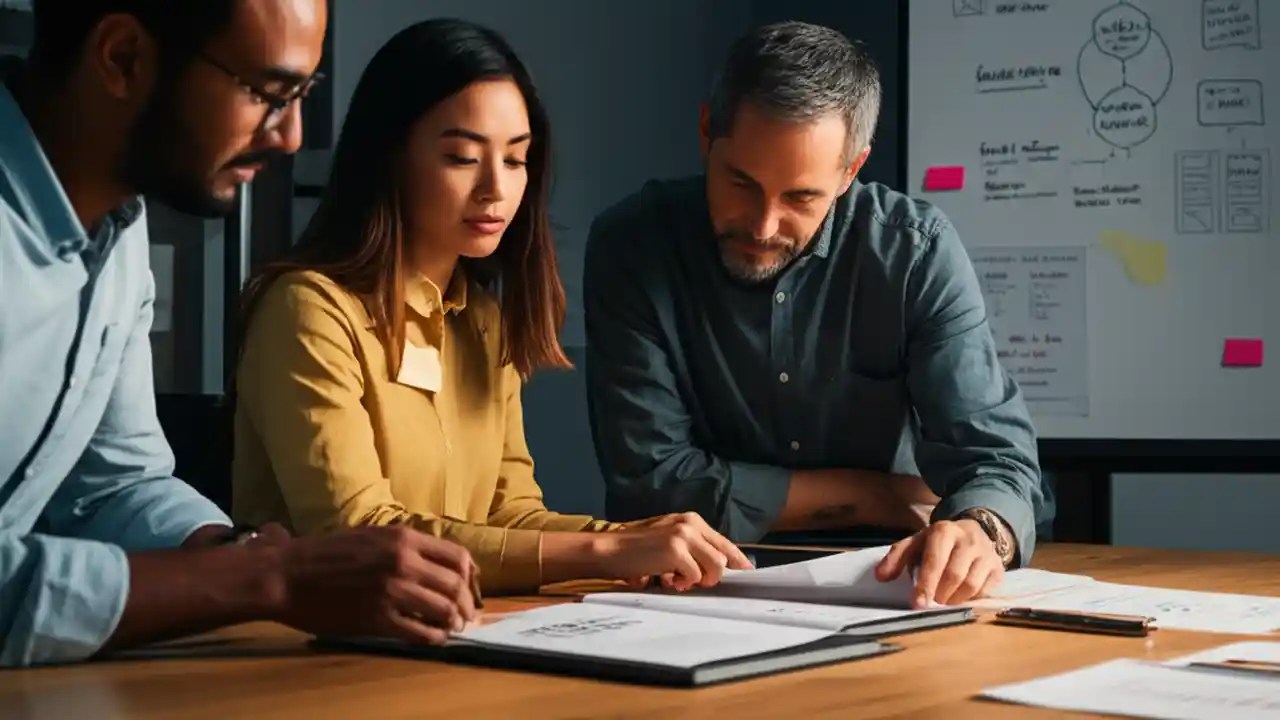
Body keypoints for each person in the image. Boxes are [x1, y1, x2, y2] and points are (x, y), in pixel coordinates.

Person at [0, 1, 480, 668]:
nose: (290, 137)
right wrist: (268, 581)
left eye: (303, 96)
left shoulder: (119, 225)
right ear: (122, 59)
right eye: (269, 94)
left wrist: (259, 556)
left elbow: (114, 486)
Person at [231, 18, 752, 597]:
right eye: (461, 157)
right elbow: (358, 534)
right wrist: (607, 548)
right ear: (389, 156)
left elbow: (513, 518)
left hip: (452, 633)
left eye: (515, 159)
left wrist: (642, 539)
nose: (495, 190)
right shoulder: (308, 311)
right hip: (309, 653)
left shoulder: (482, 320)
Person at [584, 21, 1052, 608]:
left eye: (801, 197)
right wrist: (876, 496)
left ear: (851, 170)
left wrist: (980, 530)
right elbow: (650, 487)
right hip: (694, 592)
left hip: (896, 587)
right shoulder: (631, 245)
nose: (762, 225)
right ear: (707, 133)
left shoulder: (915, 252)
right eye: (741, 183)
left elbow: (999, 464)